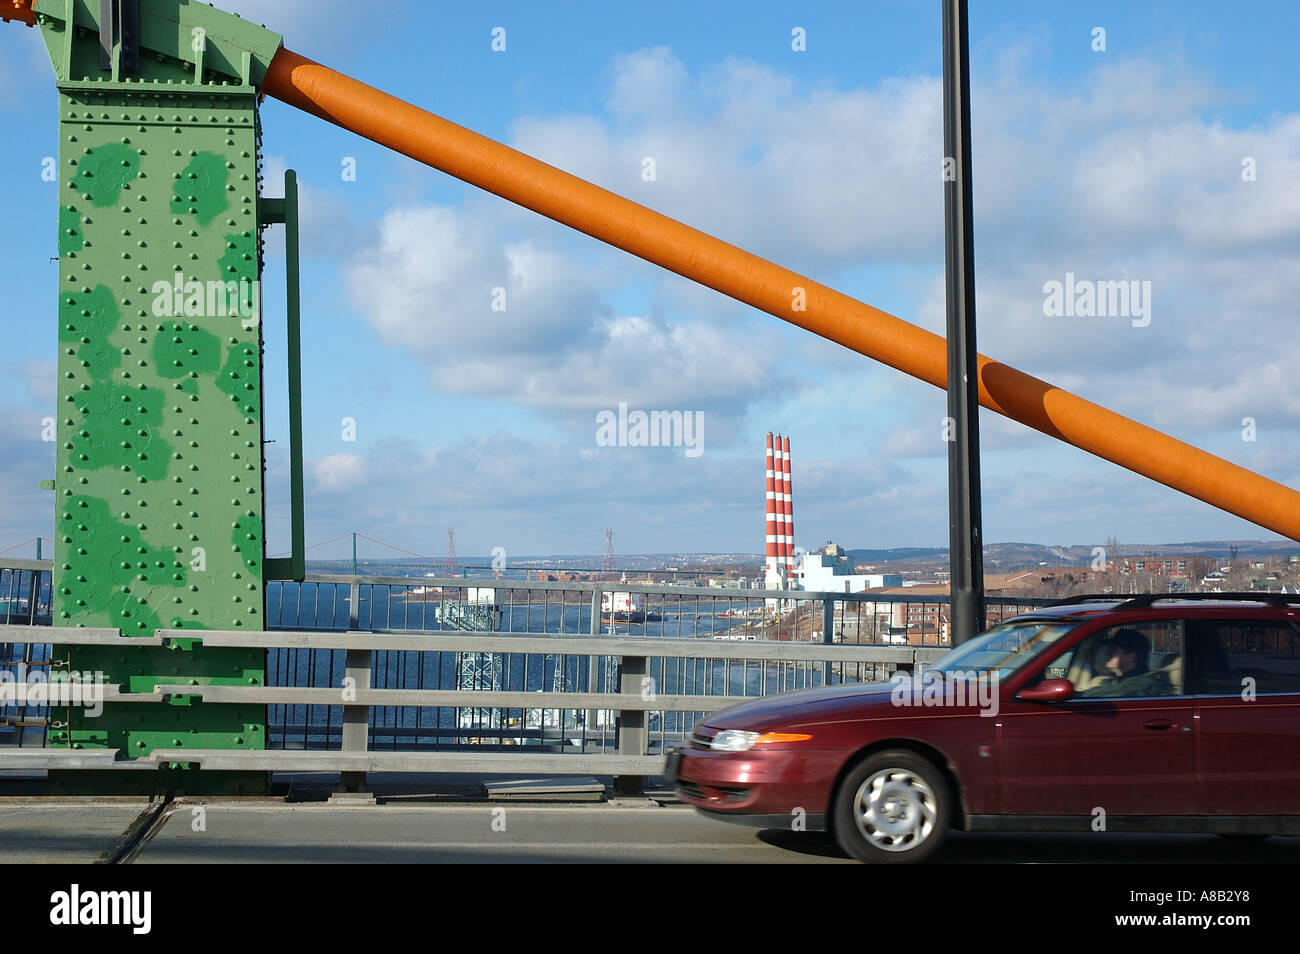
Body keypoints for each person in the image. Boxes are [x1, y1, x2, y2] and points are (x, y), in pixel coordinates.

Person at [1077, 628, 1172, 698]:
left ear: (1131, 657)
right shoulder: (1116, 680)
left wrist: (1079, 695)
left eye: (1114, 650)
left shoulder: (1143, 684)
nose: (1107, 653)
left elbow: (1116, 694)